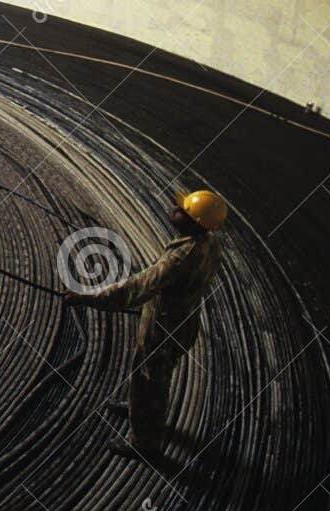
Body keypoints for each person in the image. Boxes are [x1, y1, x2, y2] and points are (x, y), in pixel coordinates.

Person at [64, 190, 228, 463]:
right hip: (183, 321)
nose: (174, 209)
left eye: (182, 210)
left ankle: (146, 444)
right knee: (150, 375)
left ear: (193, 221)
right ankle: (139, 407)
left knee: (152, 379)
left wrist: (88, 298)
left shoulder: (181, 257)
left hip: (163, 328)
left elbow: (137, 288)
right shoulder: (208, 244)